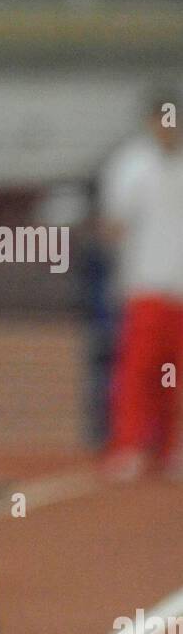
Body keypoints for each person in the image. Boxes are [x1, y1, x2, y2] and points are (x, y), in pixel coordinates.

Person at [99, 91, 183, 479]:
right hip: (145, 287)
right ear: (151, 122)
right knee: (139, 372)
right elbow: (112, 225)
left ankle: (172, 450)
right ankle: (130, 446)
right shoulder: (131, 166)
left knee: (176, 376)